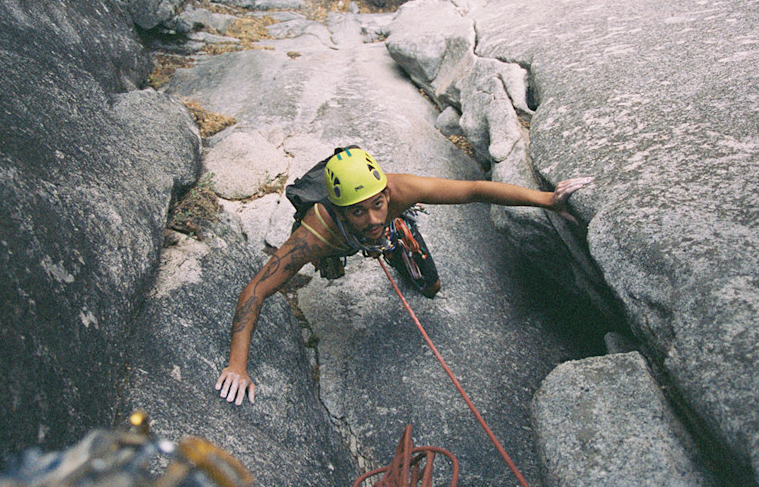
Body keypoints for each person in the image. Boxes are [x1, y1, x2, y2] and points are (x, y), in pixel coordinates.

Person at [215, 146, 592, 405]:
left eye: (378, 205)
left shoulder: (399, 190)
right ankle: (353, 251)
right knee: (330, 266)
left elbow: (474, 190)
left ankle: (400, 238)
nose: (373, 217)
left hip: (387, 228)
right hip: (335, 243)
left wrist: (546, 200)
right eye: (359, 212)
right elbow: (256, 290)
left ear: (385, 192)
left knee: (431, 285)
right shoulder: (314, 234)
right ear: (340, 210)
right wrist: (237, 365)